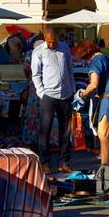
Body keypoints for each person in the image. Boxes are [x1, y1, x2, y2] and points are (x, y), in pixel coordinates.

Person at [30, 27, 75, 172]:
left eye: (53, 42)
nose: (51, 45)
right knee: (45, 130)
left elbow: (69, 69)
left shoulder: (64, 48)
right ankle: (44, 162)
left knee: (66, 130)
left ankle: (64, 162)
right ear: (45, 39)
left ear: (57, 38)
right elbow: (35, 75)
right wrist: (41, 93)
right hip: (48, 96)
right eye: (49, 42)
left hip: (66, 95)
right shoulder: (38, 52)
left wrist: (72, 89)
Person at [75, 39, 109, 167]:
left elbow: (94, 84)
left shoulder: (96, 61)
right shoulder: (104, 58)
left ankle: (104, 166)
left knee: (103, 133)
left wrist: (82, 94)